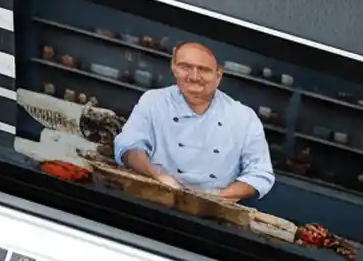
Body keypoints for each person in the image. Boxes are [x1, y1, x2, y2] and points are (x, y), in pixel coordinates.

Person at [113, 41, 274, 201]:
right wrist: (157, 175)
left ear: (218, 76)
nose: (194, 77)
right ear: (174, 68)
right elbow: (129, 146)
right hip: (155, 197)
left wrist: (218, 198)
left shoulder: (243, 117)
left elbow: (260, 174)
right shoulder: (154, 101)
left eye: (204, 70)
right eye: (185, 67)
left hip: (215, 210)